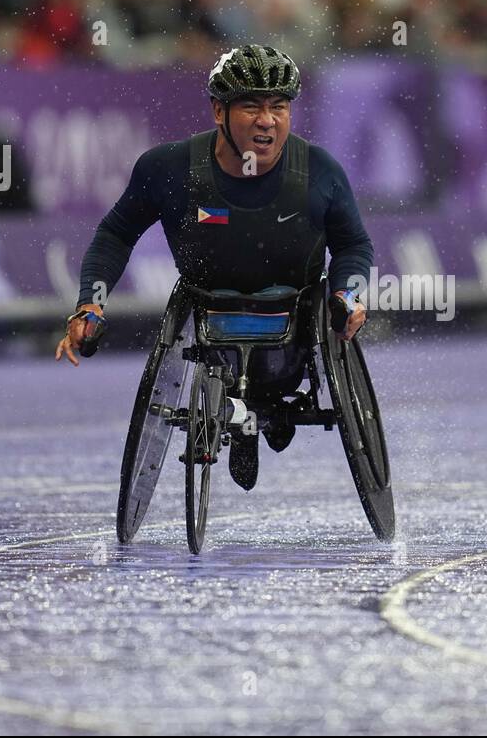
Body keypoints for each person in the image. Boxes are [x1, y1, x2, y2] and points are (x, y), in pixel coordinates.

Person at [55, 44, 374, 491]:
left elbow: (353, 245)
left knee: (298, 341)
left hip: (295, 326)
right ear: (218, 111)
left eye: (279, 107)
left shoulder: (320, 171)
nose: (267, 120)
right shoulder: (168, 169)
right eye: (251, 106)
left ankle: (254, 413)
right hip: (208, 322)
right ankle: (241, 412)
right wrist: (91, 305)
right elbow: (115, 235)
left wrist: (349, 295)